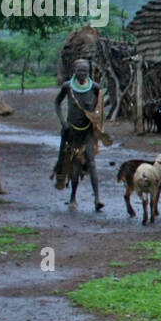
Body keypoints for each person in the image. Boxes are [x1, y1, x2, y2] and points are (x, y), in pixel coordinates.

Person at [53, 59, 106, 211]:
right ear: (74, 71)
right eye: (80, 71)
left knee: (91, 162)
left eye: (85, 71)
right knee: (75, 164)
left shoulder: (94, 87)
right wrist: (63, 122)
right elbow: (57, 103)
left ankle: (97, 199)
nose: (82, 74)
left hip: (88, 132)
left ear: (89, 72)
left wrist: (96, 122)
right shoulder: (68, 86)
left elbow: (99, 108)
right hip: (72, 133)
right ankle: (73, 198)